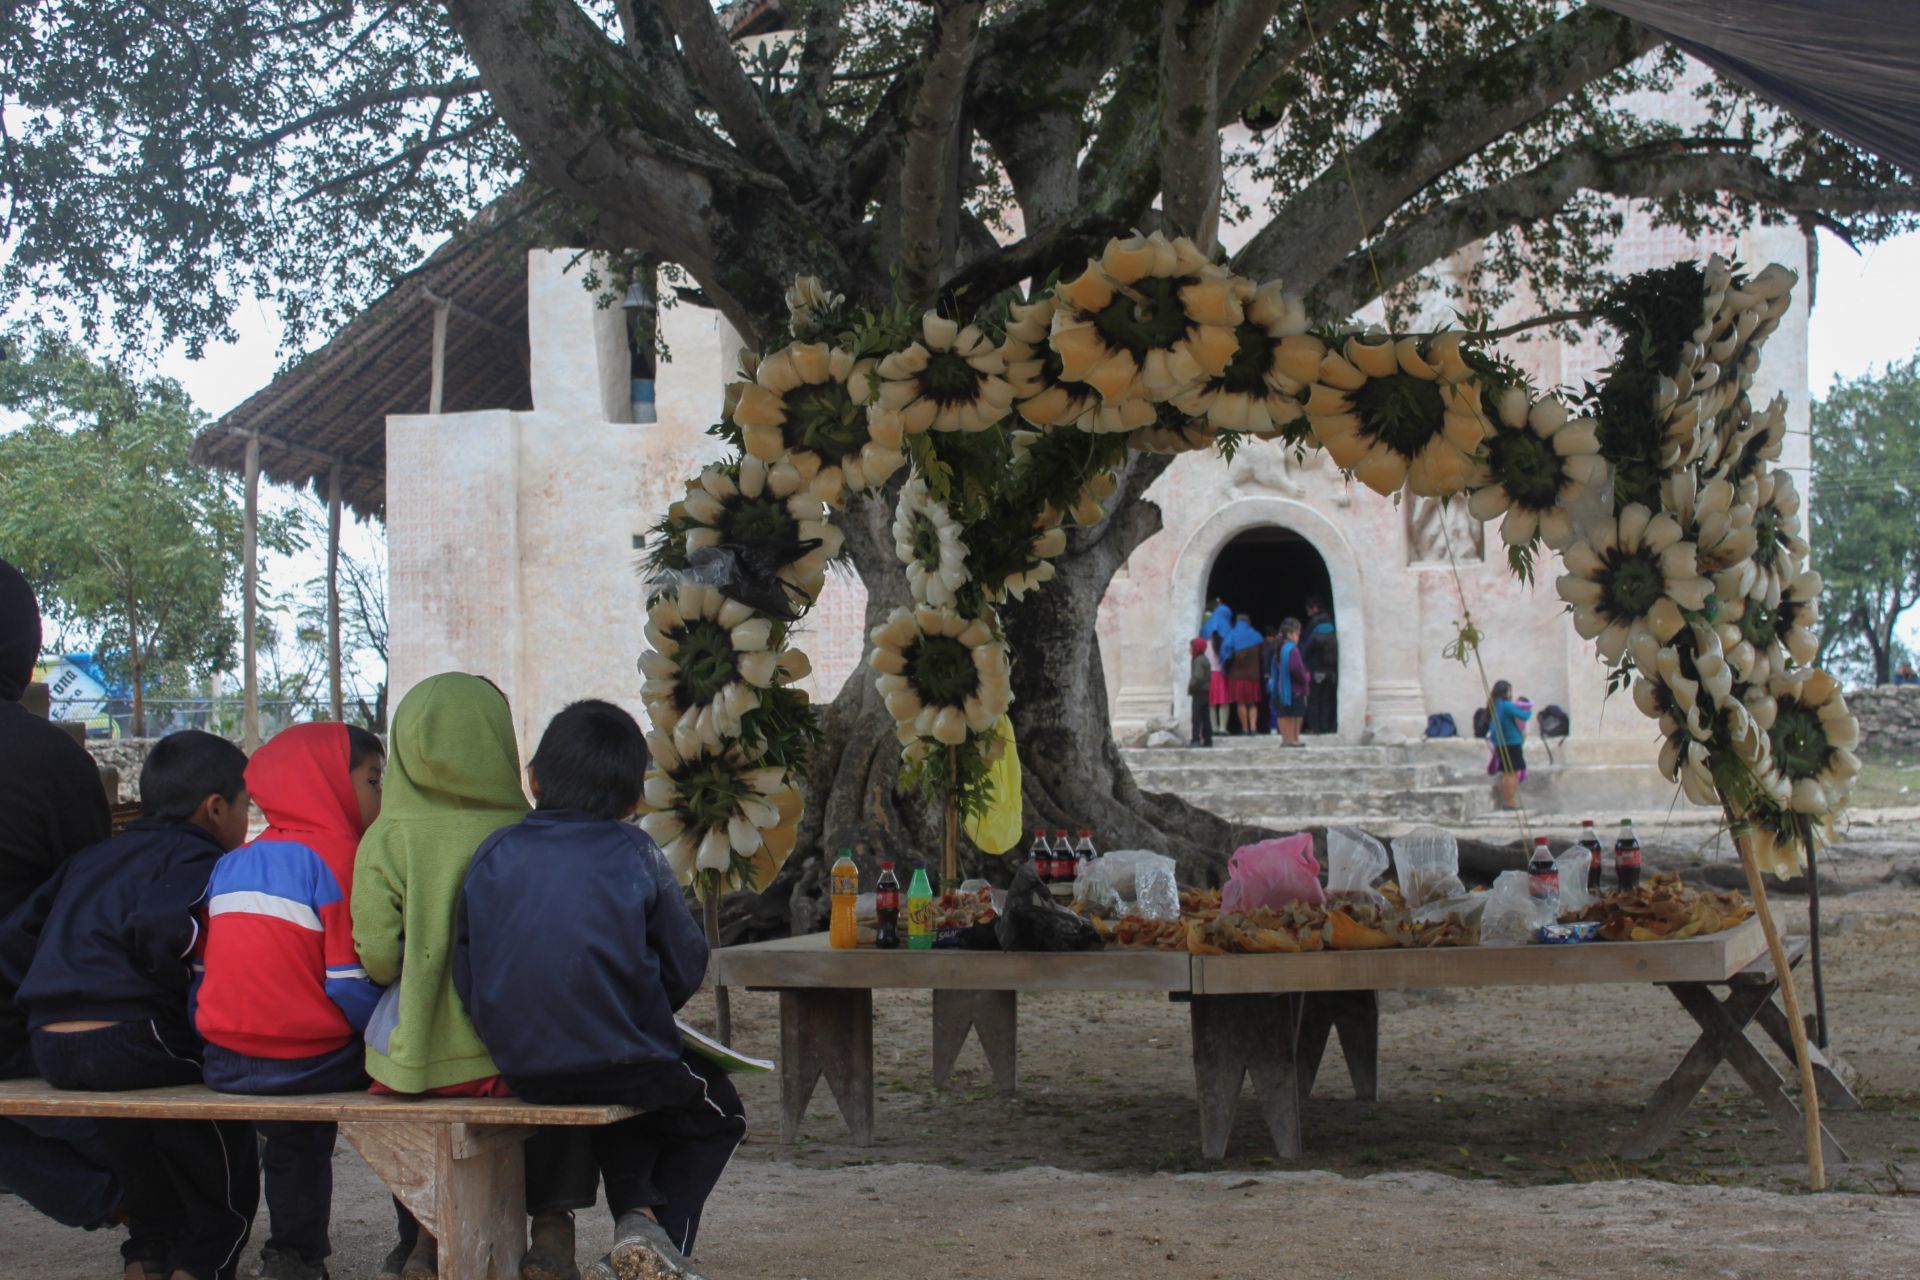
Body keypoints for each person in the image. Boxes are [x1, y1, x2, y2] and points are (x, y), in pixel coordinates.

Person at [456, 701, 744, 1280]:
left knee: (623, 1092)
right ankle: (658, 1241)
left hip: (521, 1063)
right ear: (635, 801)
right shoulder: (635, 853)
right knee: (717, 1114)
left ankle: (638, 1221)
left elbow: (469, 966)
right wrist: (635, 1004)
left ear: (533, 780)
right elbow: (686, 964)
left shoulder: (492, 853)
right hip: (624, 1056)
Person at [1, 731, 258, 1280]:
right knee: (227, 1113)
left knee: (138, 1138)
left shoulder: (94, 857)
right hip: (135, 1037)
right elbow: (166, 925)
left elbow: (17, 939)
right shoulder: (200, 858)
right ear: (215, 808)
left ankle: (149, 1251)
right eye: (246, 806)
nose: (245, 820)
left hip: (51, 1045)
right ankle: (203, 1260)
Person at [352, 673, 530, 1280]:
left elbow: (376, 959)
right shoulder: (528, 831)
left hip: (418, 1061)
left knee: (400, 1083)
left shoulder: (388, 836)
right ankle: (551, 1232)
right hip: (514, 1056)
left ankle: (425, 1236)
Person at [195, 722, 387, 1280]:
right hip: (308, 1062)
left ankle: (287, 1251)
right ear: (323, 782)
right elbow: (349, 986)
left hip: (223, 1060)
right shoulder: (342, 858)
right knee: (405, 1069)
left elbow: (206, 973)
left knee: (288, 1131)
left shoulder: (235, 861)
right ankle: (296, 1253)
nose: (382, 796)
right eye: (374, 779)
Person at [0, 557, 121, 1239]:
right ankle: (137, 1213)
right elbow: (89, 910)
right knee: (184, 1136)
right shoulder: (51, 761)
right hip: (22, 1030)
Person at [1486, 679, 1533, 811]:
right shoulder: (1506, 705)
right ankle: (1509, 802)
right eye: (1510, 691)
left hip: (1501, 744)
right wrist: (1529, 708)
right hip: (1512, 743)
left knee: (1507, 774)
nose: (1511, 694)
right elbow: (1524, 716)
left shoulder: (1496, 705)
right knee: (1513, 774)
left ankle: (1507, 801)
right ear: (1505, 692)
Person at [1220, 612, 1264, 735]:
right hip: (1253, 675)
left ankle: (1245, 729)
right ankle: (1254, 728)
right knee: (1252, 702)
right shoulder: (1257, 636)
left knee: (1241, 702)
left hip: (1237, 675)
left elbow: (1225, 653)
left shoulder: (1232, 635)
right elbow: (1262, 656)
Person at [1270, 618, 1310, 747]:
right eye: (1297, 633)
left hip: (1282, 687)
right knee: (1294, 715)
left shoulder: (1280, 648)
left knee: (1284, 714)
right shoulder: (1292, 649)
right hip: (1294, 688)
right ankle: (1293, 739)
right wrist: (1305, 677)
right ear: (1289, 634)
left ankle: (1285, 739)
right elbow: (1296, 668)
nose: (1298, 637)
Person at [1302, 597, 1339, 735]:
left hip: (1317, 671)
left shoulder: (1315, 635)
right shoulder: (1335, 634)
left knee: (1314, 700)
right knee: (1328, 700)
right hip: (1332, 672)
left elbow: (1305, 652)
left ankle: (1315, 728)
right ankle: (1327, 726)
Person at [1186, 638, 1213, 748]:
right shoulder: (1204, 659)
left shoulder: (1198, 660)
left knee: (1196, 717)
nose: (1190, 650)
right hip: (1205, 692)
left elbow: (1197, 677)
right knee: (1205, 717)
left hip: (1199, 692)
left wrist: (1190, 687)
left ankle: (1195, 739)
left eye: (1191, 647)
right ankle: (1207, 739)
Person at [1206, 634, 1229, 737]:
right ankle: (1222, 728)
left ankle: (1214, 728)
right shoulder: (1224, 643)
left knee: (1211, 703)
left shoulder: (1206, 644)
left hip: (1210, 675)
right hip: (1221, 675)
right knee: (1224, 702)